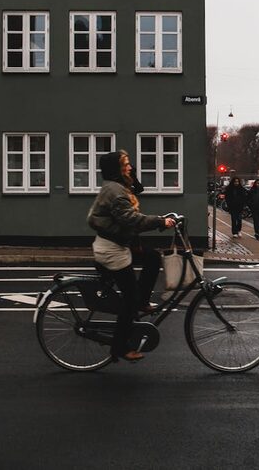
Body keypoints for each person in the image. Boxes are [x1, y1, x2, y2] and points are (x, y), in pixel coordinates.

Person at [87, 150, 176, 362]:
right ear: (116, 170)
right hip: (112, 250)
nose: (130, 167)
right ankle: (119, 347)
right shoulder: (115, 192)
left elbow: (137, 189)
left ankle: (142, 302)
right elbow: (131, 219)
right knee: (129, 299)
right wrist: (160, 221)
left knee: (153, 257)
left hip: (118, 245)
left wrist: (131, 174)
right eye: (126, 164)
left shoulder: (119, 186)